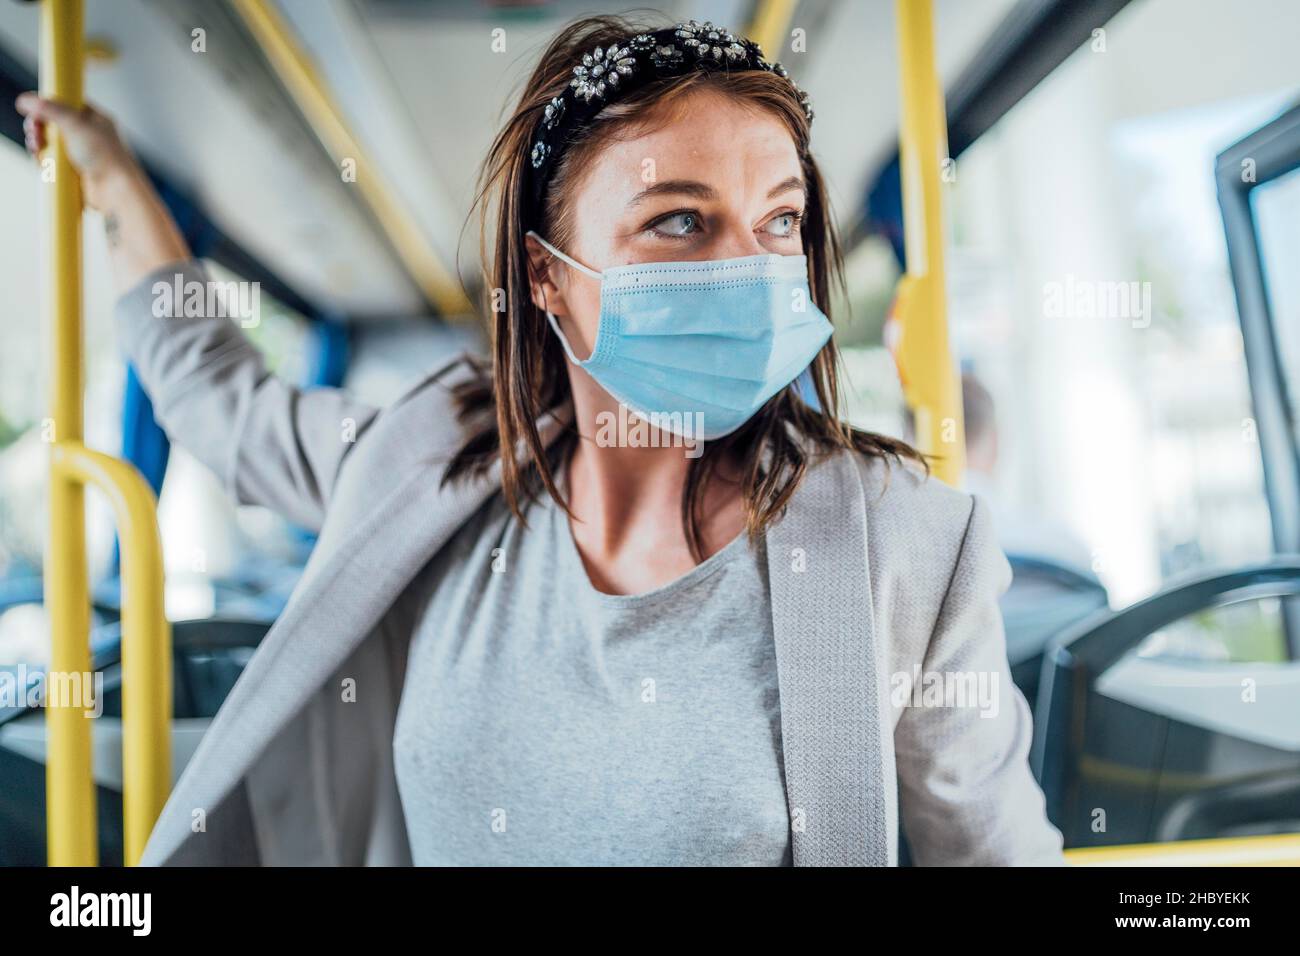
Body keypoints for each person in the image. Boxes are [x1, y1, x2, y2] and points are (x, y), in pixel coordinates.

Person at [16, 14, 1062, 866]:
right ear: (547, 274)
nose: (750, 268)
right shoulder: (431, 464)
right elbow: (218, 398)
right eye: (680, 221)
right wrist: (114, 181)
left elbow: (995, 859)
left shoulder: (908, 546)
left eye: (779, 221)